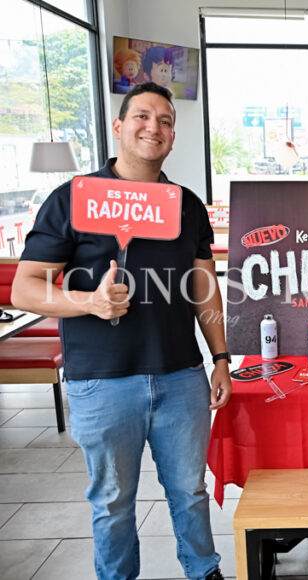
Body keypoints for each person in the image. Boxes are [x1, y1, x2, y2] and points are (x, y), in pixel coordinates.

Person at [12, 82, 230, 580]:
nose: (154, 127)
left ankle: (203, 570)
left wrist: (221, 358)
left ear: (173, 137)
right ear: (119, 126)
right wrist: (87, 301)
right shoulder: (72, 199)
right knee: (112, 502)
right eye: (143, 117)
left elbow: (205, 286)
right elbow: (25, 289)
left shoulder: (187, 206)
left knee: (190, 491)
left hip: (181, 377)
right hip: (101, 382)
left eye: (166, 121)